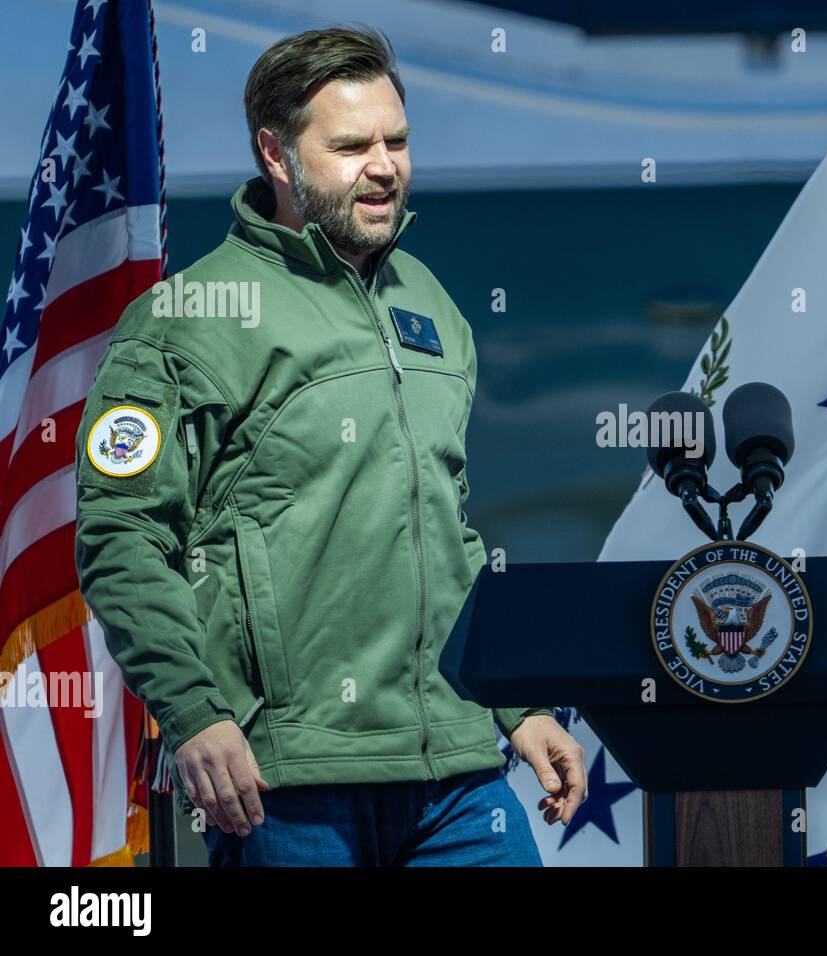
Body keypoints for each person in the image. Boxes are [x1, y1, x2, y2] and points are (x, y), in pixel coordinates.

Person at [73, 25, 585, 866]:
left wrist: (513, 704)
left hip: (459, 775)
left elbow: (447, 531)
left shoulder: (433, 305)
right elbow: (122, 539)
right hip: (284, 784)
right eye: (351, 145)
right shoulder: (186, 321)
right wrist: (196, 713)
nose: (384, 164)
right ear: (276, 155)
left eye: (397, 139)